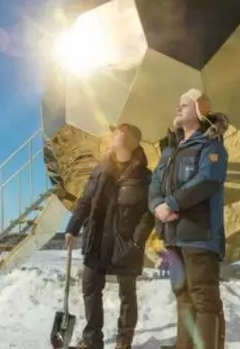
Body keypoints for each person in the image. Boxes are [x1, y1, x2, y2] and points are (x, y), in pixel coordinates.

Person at [148, 88, 228, 349]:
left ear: (199, 111)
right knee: (182, 295)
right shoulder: (170, 151)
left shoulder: (210, 146)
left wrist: (172, 203)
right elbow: (155, 184)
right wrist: (157, 205)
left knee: (203, 297)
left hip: (199, 235)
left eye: (184, 104)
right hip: (173, 236)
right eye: (178, 103)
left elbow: (207, 180)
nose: (177, 108)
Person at [65, 123, 155, 349]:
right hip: (97, 239)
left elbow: (150, 212)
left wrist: (137, 239)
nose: (114, 135)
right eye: (114, 132)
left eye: (120, 132)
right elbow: (85, 200)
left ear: (132, 140)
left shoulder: (145, 176)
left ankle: (124, 342)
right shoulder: (100, 169)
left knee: (127, 293)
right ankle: (92, 341)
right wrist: (72, 227)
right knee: (90, 288)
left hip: (125, 243)